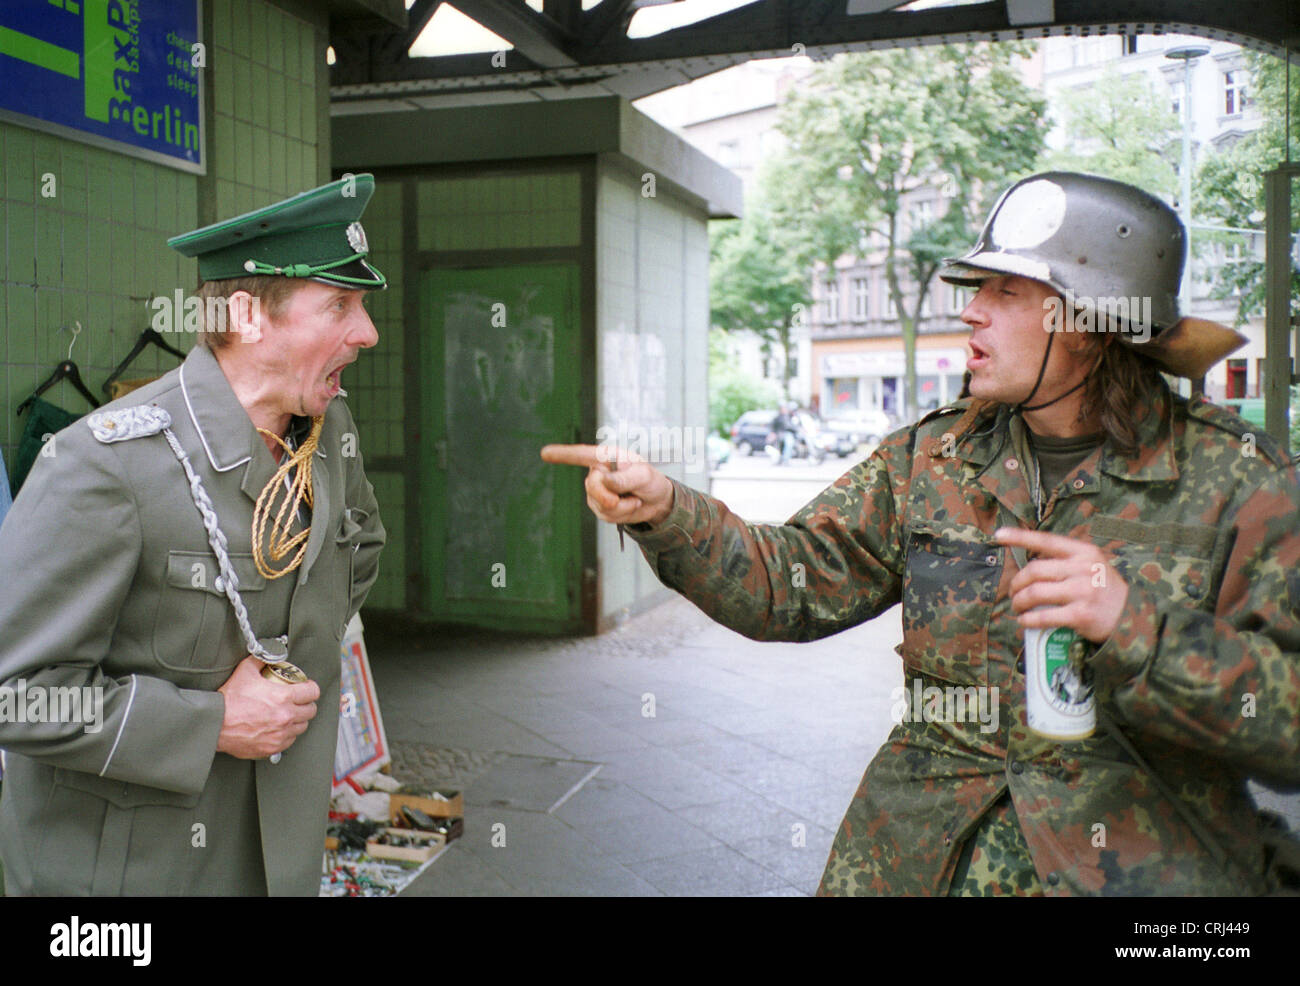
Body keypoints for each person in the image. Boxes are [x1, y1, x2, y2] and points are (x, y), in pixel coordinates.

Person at [542, 171, 1300, 895]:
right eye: (979, 289)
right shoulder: (932, 457)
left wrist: (1137, 629)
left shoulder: (1237, 481)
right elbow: (792, 584)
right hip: (913, 864)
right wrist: (666, 508)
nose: (970, 311)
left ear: (1092, 321)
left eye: (1005, 292)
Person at [0, 175, 387, 895]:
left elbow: (353, 558)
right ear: (245, 315)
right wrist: (207, 721)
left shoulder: (329, 433)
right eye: (339, 304)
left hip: (276, 860)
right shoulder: (106, 463)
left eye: (361, 305)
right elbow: (16, 695)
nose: (366, 331)